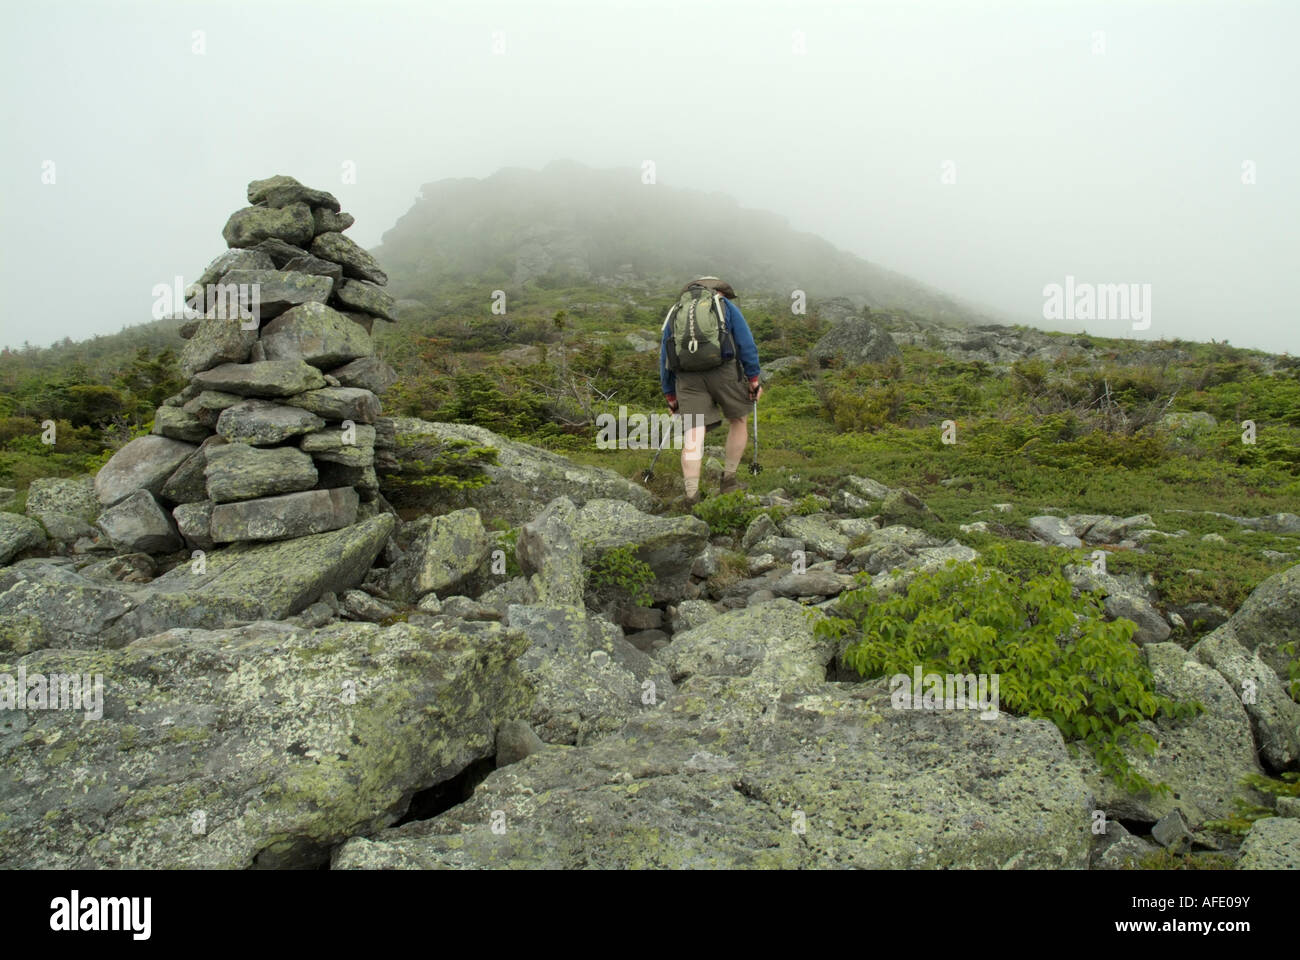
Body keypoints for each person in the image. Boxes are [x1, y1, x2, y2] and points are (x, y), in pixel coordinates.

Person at [659, 277, 762, 507]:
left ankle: (691, 496)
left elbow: (665, 355)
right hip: (724, 371)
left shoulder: (676, 311)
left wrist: (670, 394)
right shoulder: (725, 306)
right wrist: (753, 378)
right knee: (738, 420)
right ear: (717, 290)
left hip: (687, 378)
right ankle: (729, 481)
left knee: (693, 435)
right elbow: (746, 343)